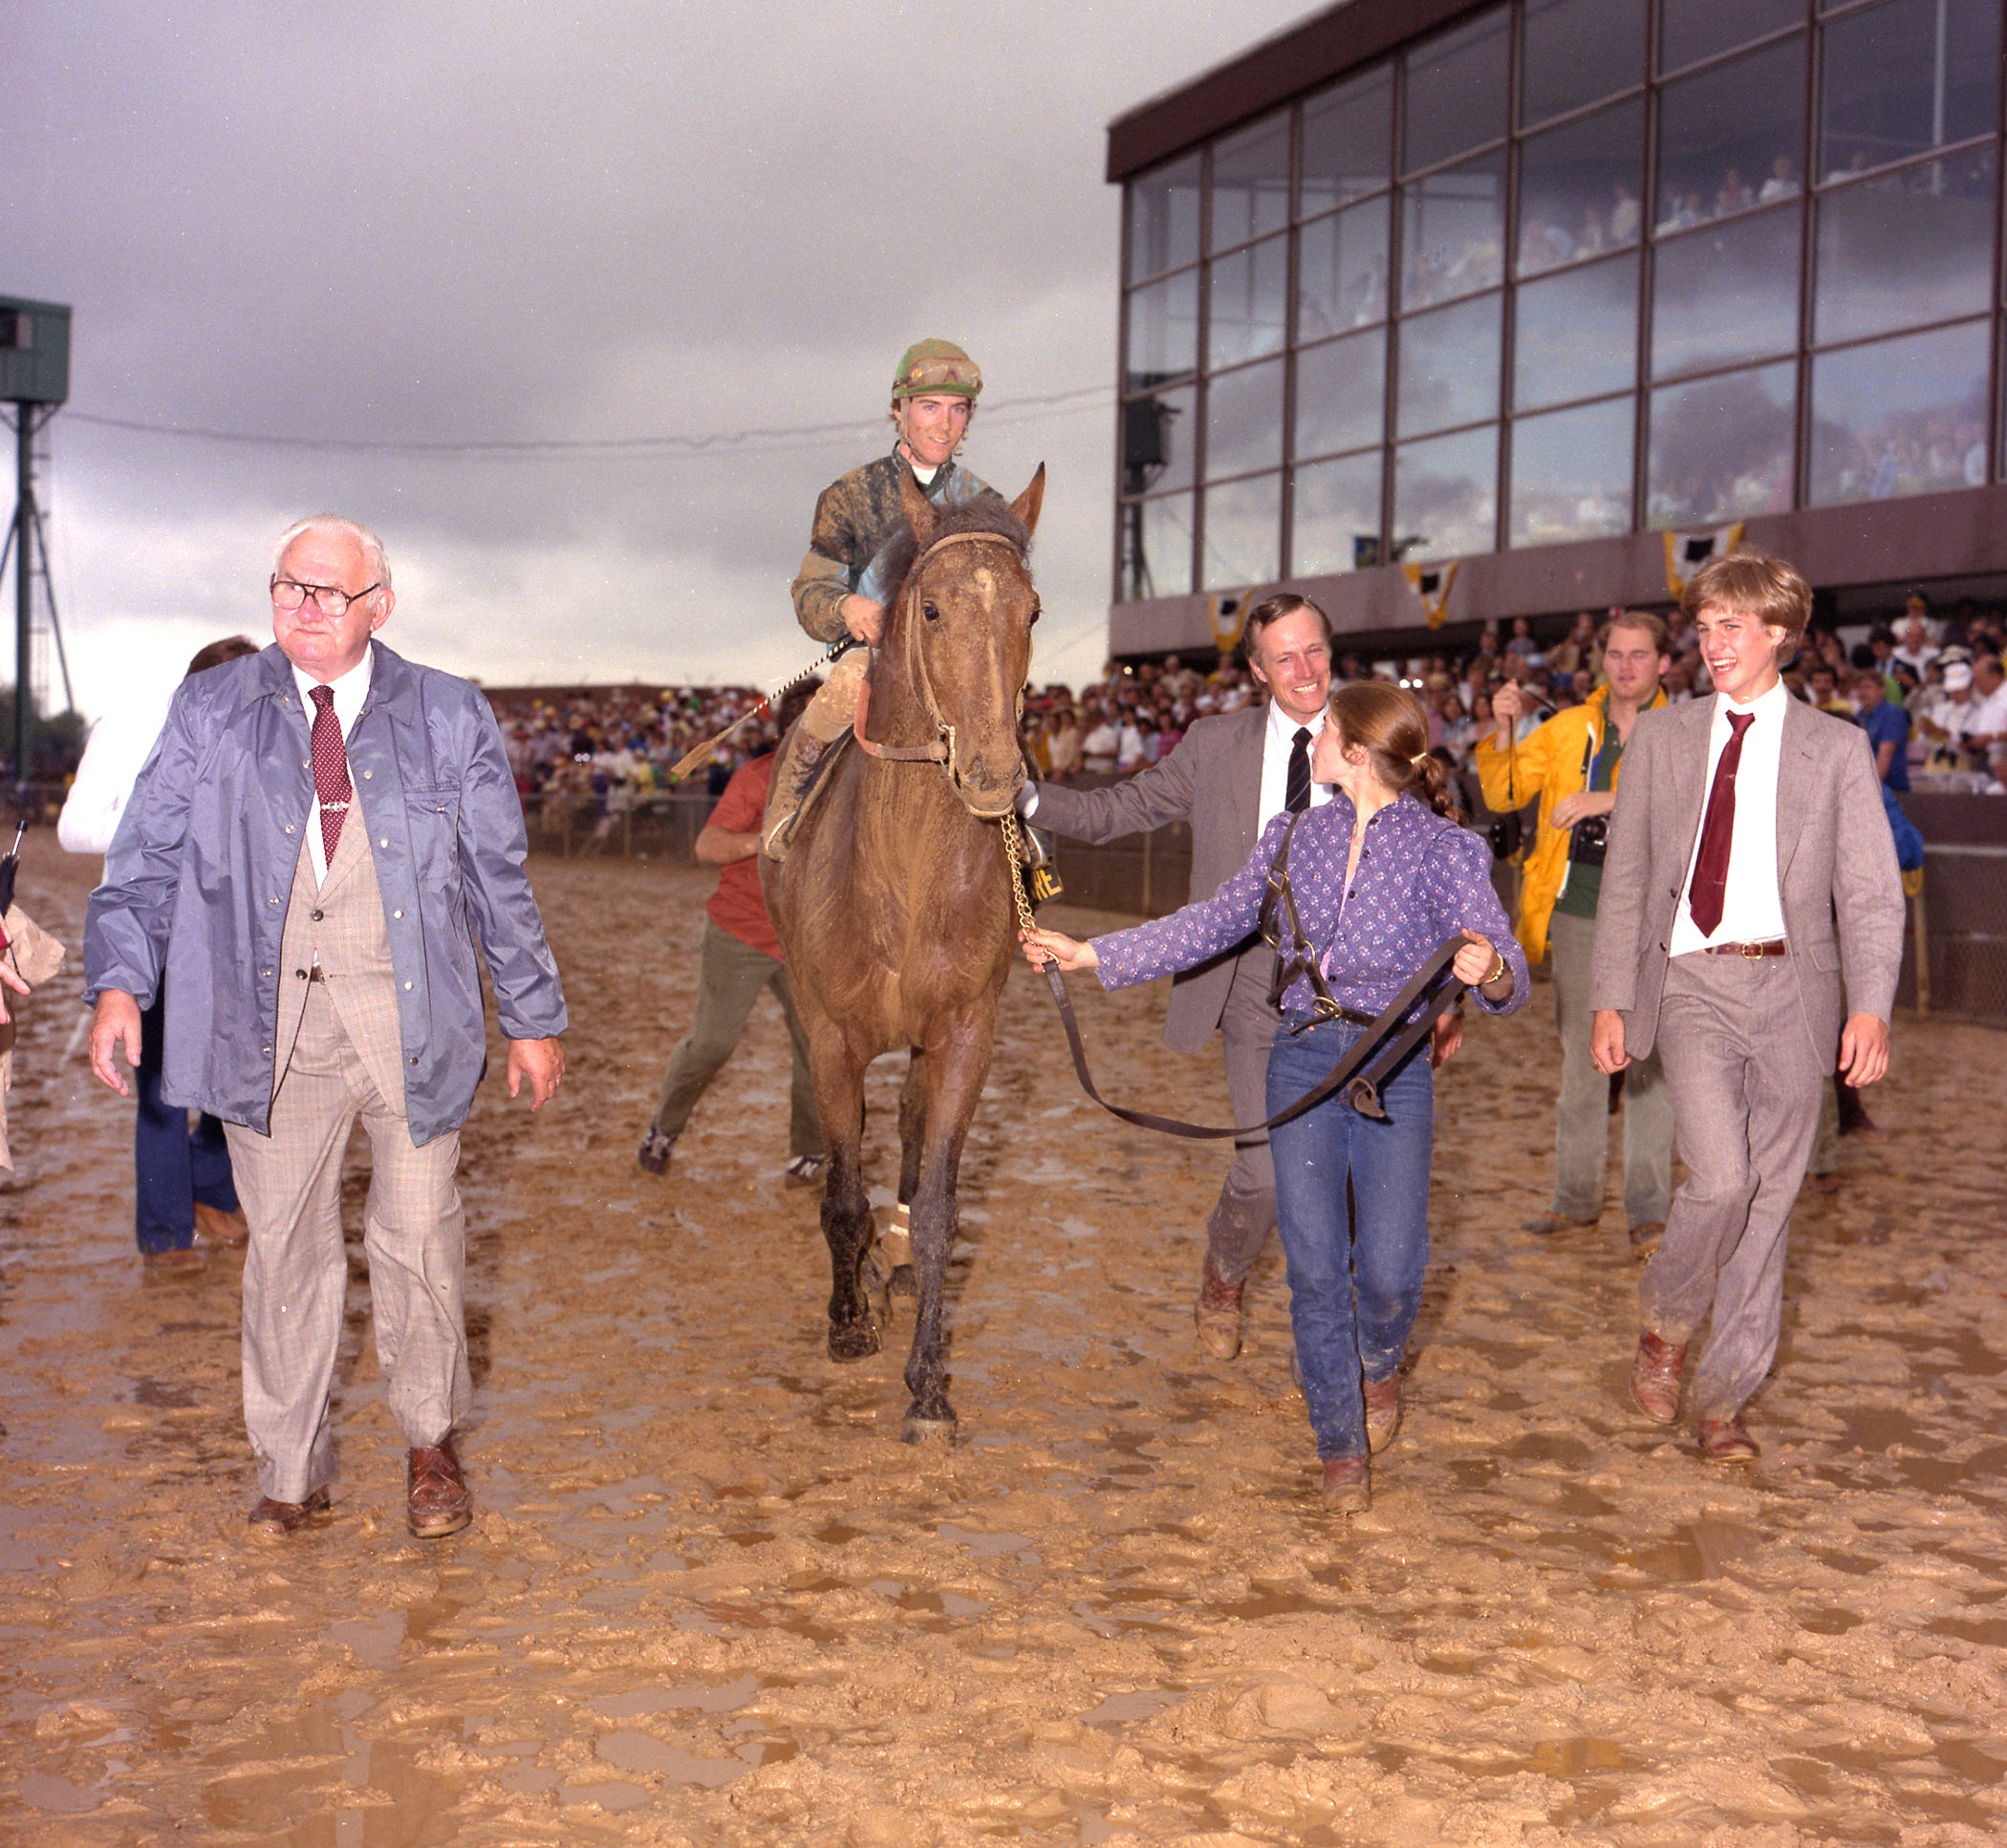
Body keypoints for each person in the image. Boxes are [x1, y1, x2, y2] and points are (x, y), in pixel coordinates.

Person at [84, 516, 569, 1540]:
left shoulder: (449, 712)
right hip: (265, 1032)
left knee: (420, 1236)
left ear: (378, 606)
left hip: (416, 1023)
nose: (306, 606)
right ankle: (289, 1469)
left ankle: (431, 1443)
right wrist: (120, 985)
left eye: (329, 591)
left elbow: (497, 879)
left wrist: (532, 1014)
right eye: (289, 587)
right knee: (286, 1253)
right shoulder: (209, 708)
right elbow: (145, 857)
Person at [1023, 683, 1528, 1512]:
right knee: (1317, 1267)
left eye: (1327, 731)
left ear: (1356, 754)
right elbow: (1214, 920)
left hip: (1391, 1067)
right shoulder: (1292, 834)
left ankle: (1379, 1363)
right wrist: (1095, 956)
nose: (1315, 738)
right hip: (1297, 1061)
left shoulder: (1447, 851)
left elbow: (1508, 968)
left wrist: (1493, 971)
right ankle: (1339, 1447)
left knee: (1395, 1270)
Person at [1589, 548, 1905, 1464]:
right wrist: (1614, 996)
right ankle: (1669, 1317)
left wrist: (1871, 1006)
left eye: (1733, 626)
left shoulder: (1837, 750)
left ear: (1780, 636)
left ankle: (1723, 1406)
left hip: (1795, 995)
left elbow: (1873, 895)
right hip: (1690, 981)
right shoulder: (1662, 739)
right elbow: (1632, 879)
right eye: (1705, 626)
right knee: (1723, 1181)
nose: (1713, 644)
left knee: (1768, 1211)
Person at [1019, 595, 1356, 1361]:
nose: (1304, 671)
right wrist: (1028, 798)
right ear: (1256, 669)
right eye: (1284, 656)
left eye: (1314, 651)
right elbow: (1122, 808)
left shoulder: (1368, 731)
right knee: (1268, 1169)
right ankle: (1225, 1273)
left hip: (1358, 991)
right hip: (1249, 982)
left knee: (1350, 1180)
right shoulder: (1214, 744)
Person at [59, 636, 262, 1272]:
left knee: (242, 1074)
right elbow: (72, 829)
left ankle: (209, 1184)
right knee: (162, 1084)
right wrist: (154, 827)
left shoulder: (267, 733)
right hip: (155, 925)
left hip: (239, 929)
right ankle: (166, 1235)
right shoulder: (125, 728)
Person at [1477, 612, 1676, 1254]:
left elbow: (1692, 803)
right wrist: (1502, 725)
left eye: (1639, 656)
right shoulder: (1566, 728)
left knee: (1649, 1066)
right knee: (1579, 1063)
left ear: (1663, 664)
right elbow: (1505, 793)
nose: (1626, 667)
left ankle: (1649, 1209)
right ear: (1601, 662)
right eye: (1616, 655)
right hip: (1579, 910)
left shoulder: (1685, 730)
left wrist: (1606, 800)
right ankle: (1575, 1200)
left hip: (1659, 918)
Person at [764, 340, 999, 855]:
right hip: (876, 660)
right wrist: (846, 606)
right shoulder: (849, 495)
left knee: (1004, 713)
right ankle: (789, 805)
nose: (945, 424)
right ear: (898, 410)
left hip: (959, 662)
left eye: (958, 410)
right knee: (847, 680)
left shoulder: (985, 504)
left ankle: (1029, 840)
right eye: (930, 407)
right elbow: (812, 590)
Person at [637, 682, 825, 1185]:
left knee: (818, 1048)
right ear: (788, 729)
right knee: (712, 1045)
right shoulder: (755, 777)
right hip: (739, 934)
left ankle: (809, 1152)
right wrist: (760, 842)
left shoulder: (846, 782)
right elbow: (707, 845)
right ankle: (664, 1128)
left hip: (806, 942)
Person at [1852, 665, 1911, 790]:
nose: (1862, 692)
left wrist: (1868, 792)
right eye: (1859, 688)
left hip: (1891, 790)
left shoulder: (1893, 714)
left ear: (1881, 690)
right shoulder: (1858, 716)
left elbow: (1885, 755)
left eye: (1867, 687)